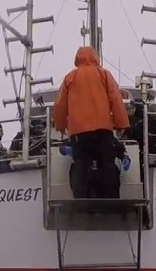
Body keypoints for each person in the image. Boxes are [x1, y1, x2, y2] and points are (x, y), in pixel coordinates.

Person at [52, 46, 130, 198]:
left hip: (79, 131)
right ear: (95, 57)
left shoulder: (70, 77)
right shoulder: (104, 74)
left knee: (81, 163)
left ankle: (80, 197)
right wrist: (121, 124)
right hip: (103, 128)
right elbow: (116, 98)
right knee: (106, 163)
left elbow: (60, 104)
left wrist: (60, 126)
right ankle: (111, 197)